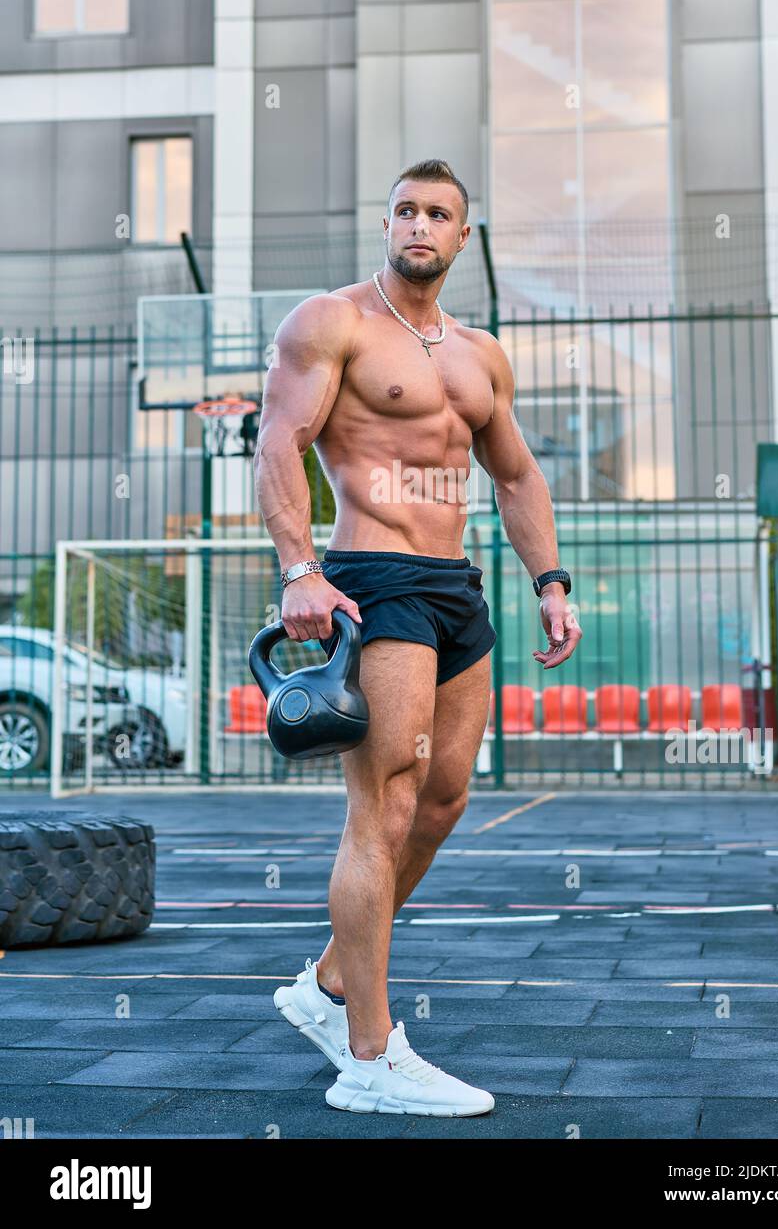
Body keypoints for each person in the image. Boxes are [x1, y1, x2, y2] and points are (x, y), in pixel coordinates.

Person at [254, 159, 581, 1117]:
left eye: (438, 213)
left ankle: (322, 986)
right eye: (404, 210)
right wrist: (298, 571)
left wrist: (549, 583)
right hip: (372, 581)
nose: (419, 225)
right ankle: (368, 1056)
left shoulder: (481, 355)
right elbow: (278, 441)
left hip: (455, 588)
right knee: (385, 805)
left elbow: (515, 476)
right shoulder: (334, 322)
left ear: (462, 237)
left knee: (441, 801)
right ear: (386, 223)